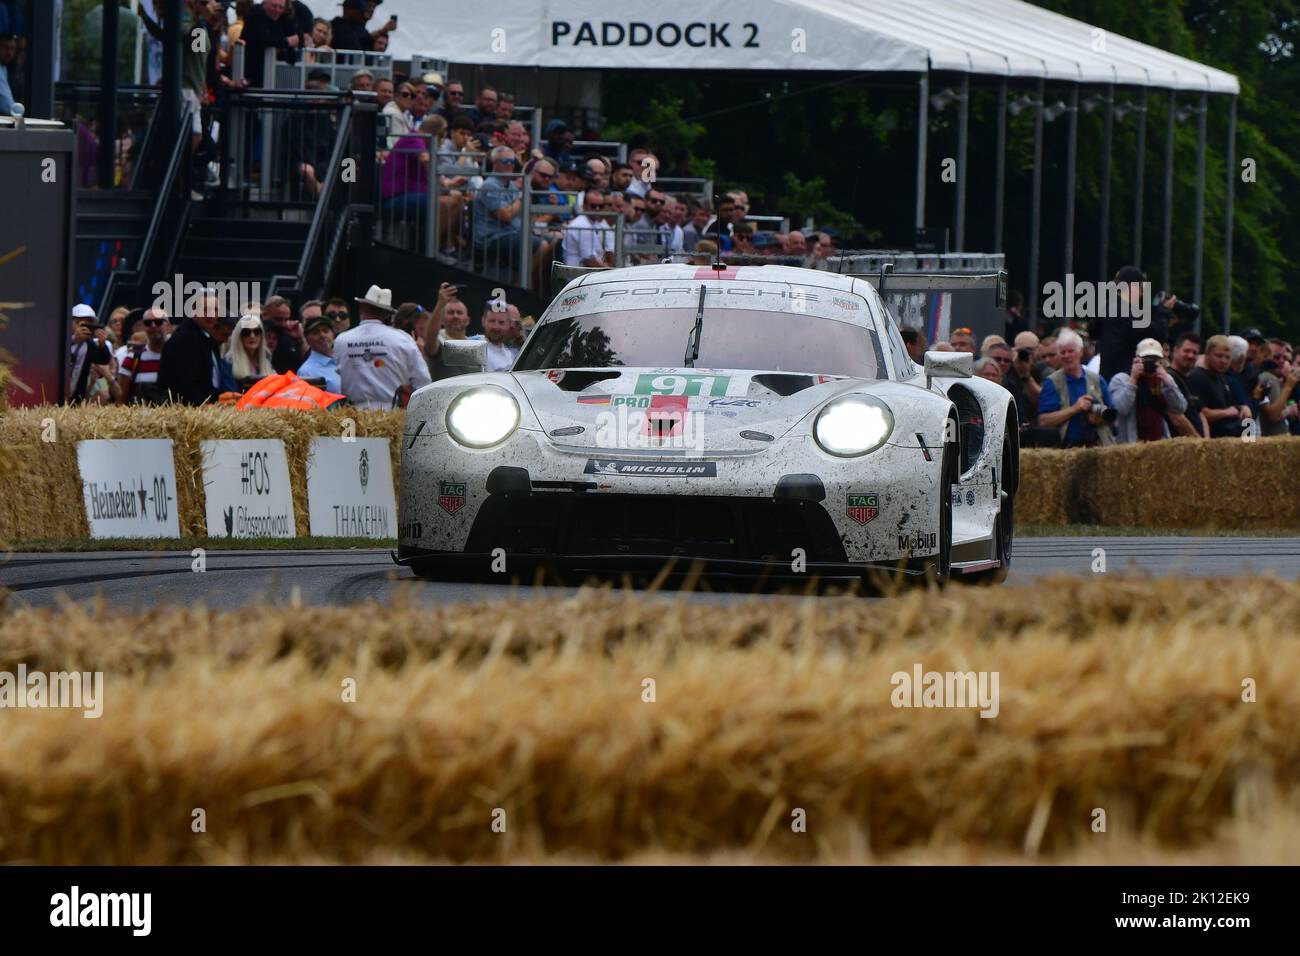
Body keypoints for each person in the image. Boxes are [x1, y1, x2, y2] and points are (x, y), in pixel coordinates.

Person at [334, 285, 431, 409]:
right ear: (386, 313)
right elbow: (423, 382)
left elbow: (335, 381)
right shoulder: (403, 338)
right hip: (394, 415)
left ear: (361, 308)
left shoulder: (342, 340)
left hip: (353, 416)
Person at [1036, 329, 1115, 448]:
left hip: (1097, 447)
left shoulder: (1097, 380)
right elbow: (1044, 421)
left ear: (1080, 352)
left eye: (1071, 351)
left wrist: (1099, 418)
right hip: (1064, 449)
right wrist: (1075, 408)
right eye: (1063, 352)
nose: (1067, 356)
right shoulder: (1052, 382)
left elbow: (1113, 414)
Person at [1106, 338, 1188, 444]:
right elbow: (1120, 409)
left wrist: (1168, 383)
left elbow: (1180, 408)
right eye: (1147, 358)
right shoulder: (1121, 379)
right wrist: (1133, 380)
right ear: (1137, 359)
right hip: (1131, 446)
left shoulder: (1164, 379)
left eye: (1155, 359)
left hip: (1158, 445)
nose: (1150, 363)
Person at [158, 291, 229, 405]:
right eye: (205, 309)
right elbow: (182, 382)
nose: (211, 315)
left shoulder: (205, 336)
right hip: (190, 410)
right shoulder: (184, 338)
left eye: (215, 310)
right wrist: (203, 404)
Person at [1186, 334, 1249, 439]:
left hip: (1228, 437)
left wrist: (1242, 408)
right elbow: (1199, 414)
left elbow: (1230, 405)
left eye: (1227, 357)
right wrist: (1227, 413)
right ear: (1207, 354)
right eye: (1219, 356)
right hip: (1211, 438)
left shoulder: (1220, 376)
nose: (1223, 361)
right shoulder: (1197, 377)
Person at [242, 0, 306, 88]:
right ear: (265, 4)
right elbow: (263, 39)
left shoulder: (283, 18)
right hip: (252, 70)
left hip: (276, 73)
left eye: (281, 7)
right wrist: (286, 42)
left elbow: (297, 38)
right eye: (274, 6)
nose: (277, 10)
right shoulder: (255, 14)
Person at [116, 307, 170, 405]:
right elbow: (121, 399)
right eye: (148, 323)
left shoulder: (178, 358)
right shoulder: (132, 358)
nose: (153, 326)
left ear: (168, 326)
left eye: (158, 322)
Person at [67, 304, 114, 404]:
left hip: (76, 397)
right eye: (79, 323)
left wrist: (102, 345)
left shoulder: (89, 344)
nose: (84, 328)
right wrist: (74, 339)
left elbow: (103, 359)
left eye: (89, 325)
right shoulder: (61, 339)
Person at [1166, 331, 1208, 438]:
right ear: (1175, 350)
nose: (1190, 355)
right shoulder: (1168, 379)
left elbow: (1200, 413)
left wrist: (1207, 442)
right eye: (1187, 351)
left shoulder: (1191, 379)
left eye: (1195, 352)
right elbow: (1177, 419)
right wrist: (1199, 443)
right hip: (1180, 448)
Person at [297, 311, 341, 392]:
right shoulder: (307, 372)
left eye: (325, 331)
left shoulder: (344, 359)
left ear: (333, 335)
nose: (322, 335)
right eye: (315, 333)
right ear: (308, 340)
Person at [226, 314, 275, 386]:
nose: (252, 336)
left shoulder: (266, 361)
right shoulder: (228, 363)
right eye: (246, 332)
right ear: (239, 336)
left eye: (256, 331)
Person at [472, 304, 521, 372]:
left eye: (501, 322)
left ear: (508, 325)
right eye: (492, 321)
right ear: (483, 321)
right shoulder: (474, 344)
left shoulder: (513, 356)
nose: (496, 326)